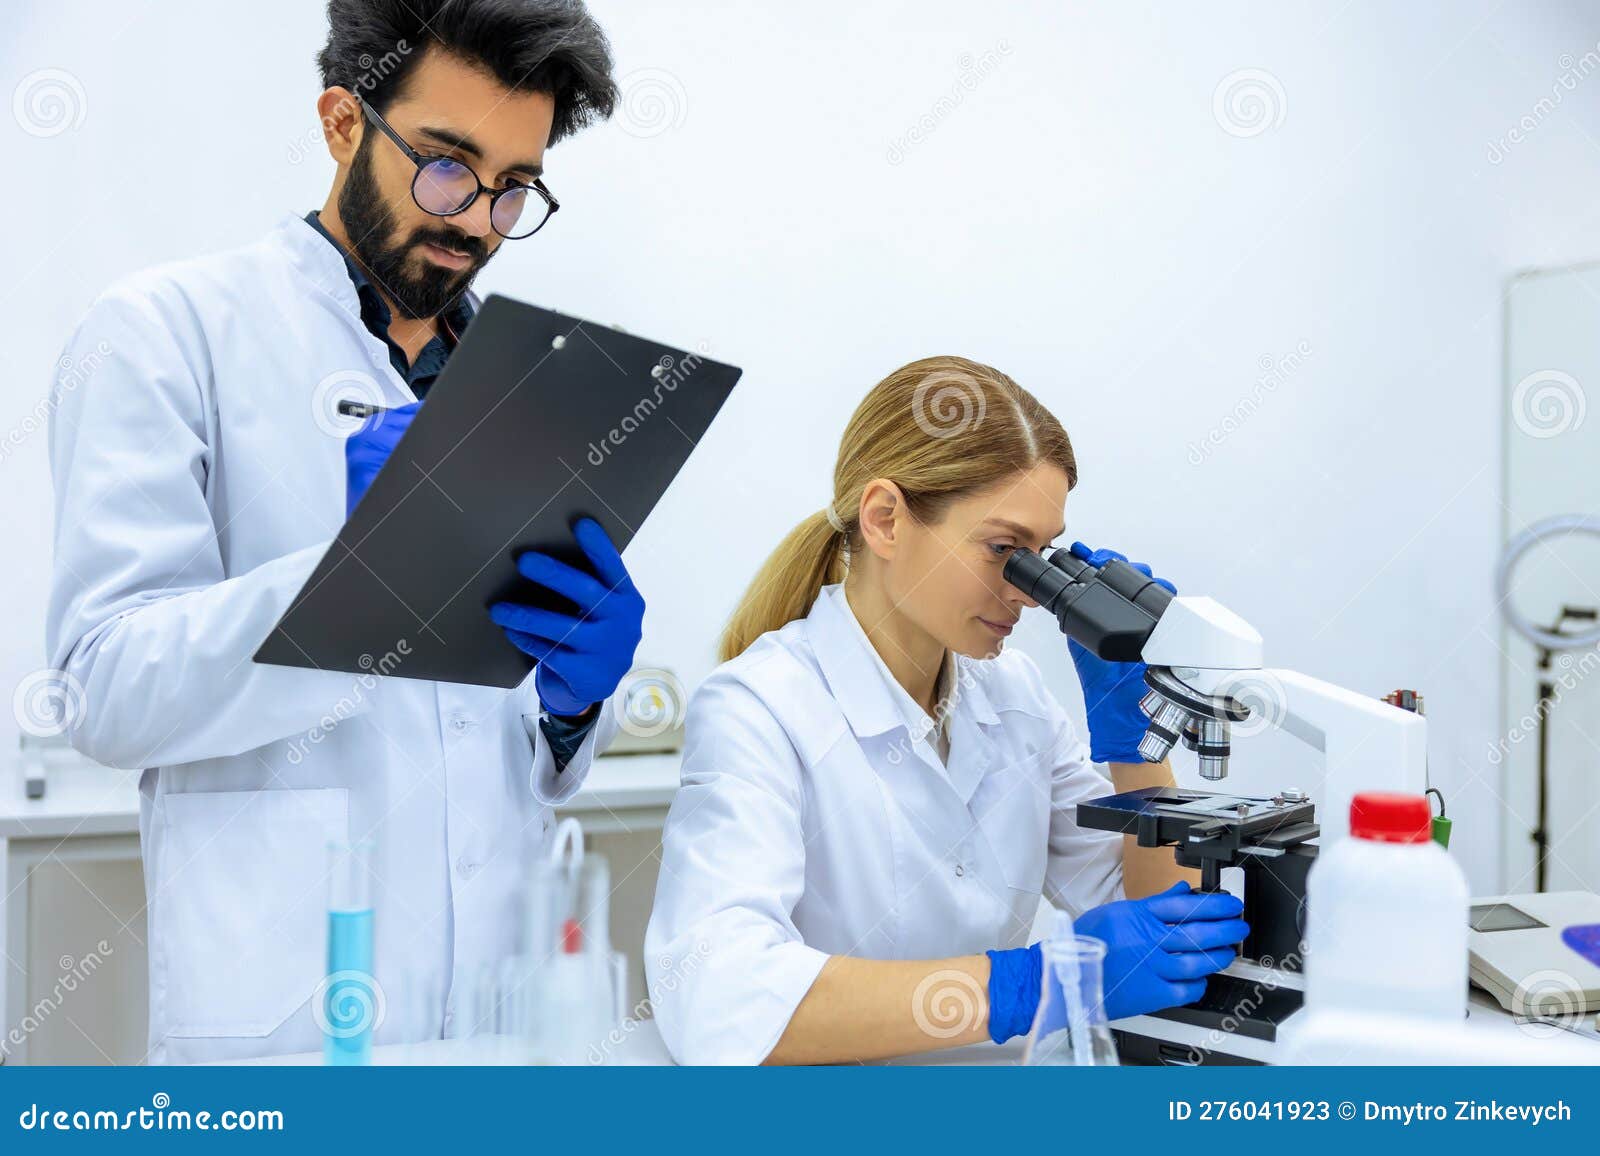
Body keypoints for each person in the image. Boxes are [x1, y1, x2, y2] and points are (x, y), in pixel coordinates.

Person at [45, 0, 642, 1063]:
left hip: (499, 1029)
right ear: (340, 122)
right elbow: (104, 687)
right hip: (289, 1027)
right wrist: (350, 572)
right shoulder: (167, 333)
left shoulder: (521, 387)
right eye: (448, 166)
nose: (473, 220)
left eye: (513, 189)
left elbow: (475, 741)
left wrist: (569, 706)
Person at [645, 356, 1247, 1064]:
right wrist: (1030, 984)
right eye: (1003, 550)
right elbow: (719, 1001)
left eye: (1041, 555)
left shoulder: (1014, 698)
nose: (1028, 591)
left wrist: (1136, 749)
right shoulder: (760, 708)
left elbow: (1163, 933)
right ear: (886, 521)